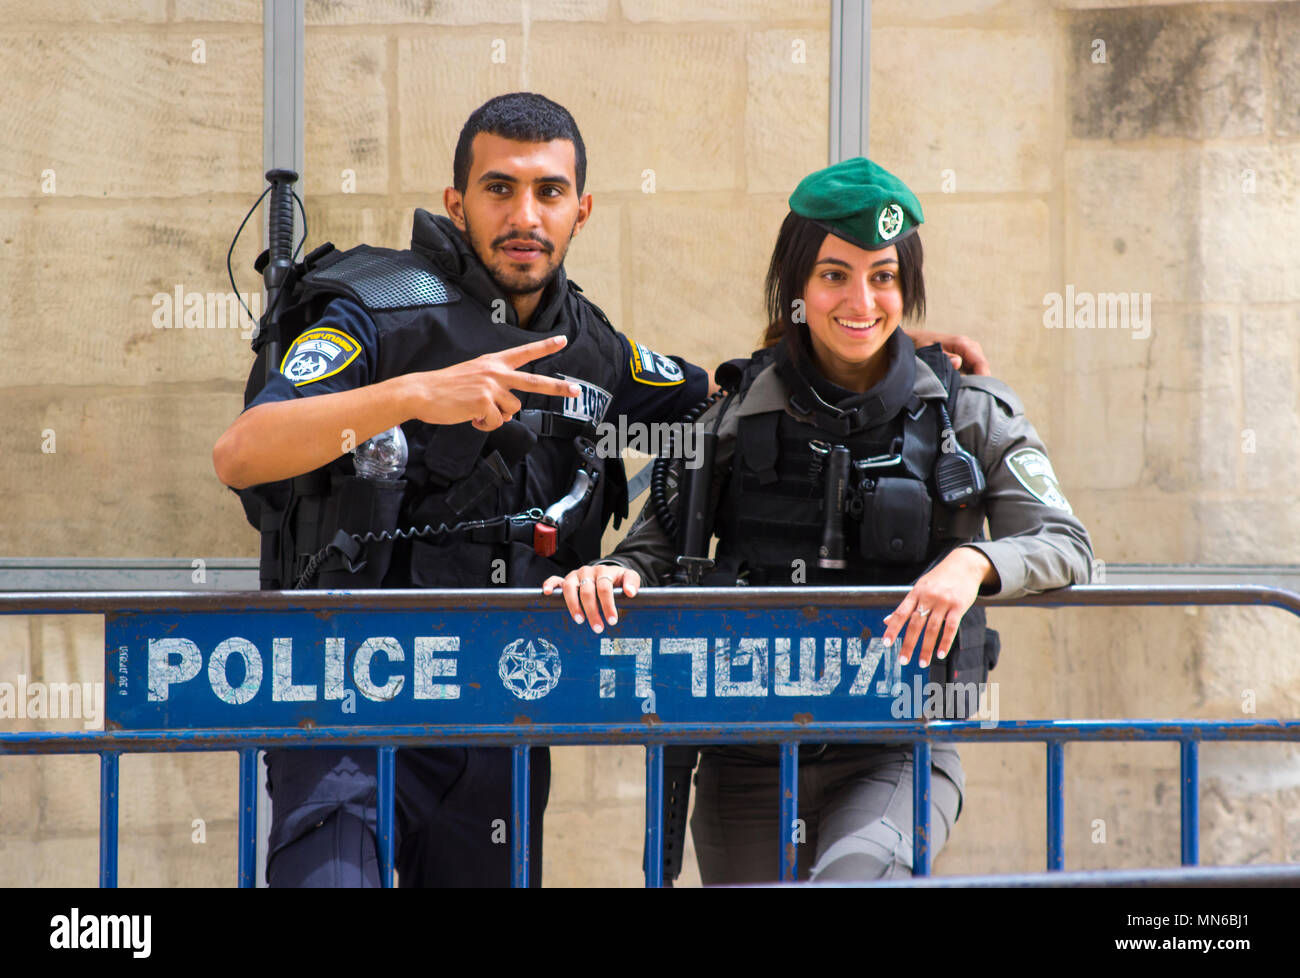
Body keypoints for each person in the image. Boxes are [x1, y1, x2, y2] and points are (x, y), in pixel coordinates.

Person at [215, 90, 989, 887]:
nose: (526, 214)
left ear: (580, 209)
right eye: (499, 188)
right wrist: (416, 394)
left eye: (548, 192)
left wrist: (875, 342)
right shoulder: (376, 309)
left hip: (499, 732)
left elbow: (744, 397)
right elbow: (241, 453)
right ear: (457, 202)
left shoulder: (591, 346)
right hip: (349, 712)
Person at [543, 157, 1093, 883]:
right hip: (746, 757)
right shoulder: (736, 413)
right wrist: (611, 573)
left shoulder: (967, 411)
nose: (860, 299)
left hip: (896, 748)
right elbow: (653, 547)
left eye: (884, 276)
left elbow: (1066, 545)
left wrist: (977, 563)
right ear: (798, 287)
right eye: (835, 275)